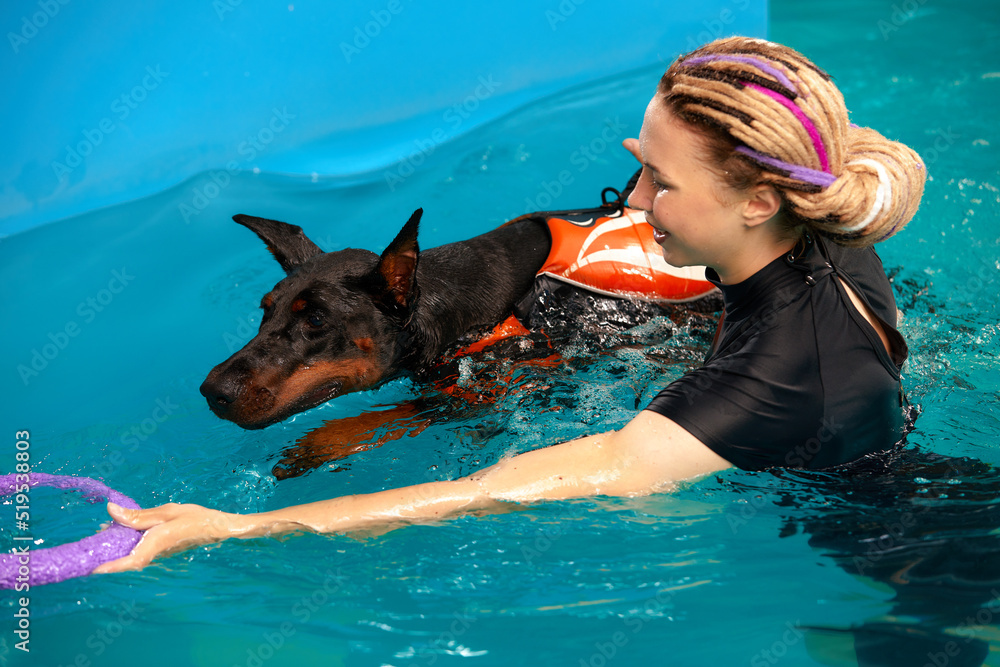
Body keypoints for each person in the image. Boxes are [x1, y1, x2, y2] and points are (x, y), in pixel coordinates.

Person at [95, 36, 926, 573]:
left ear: (757, 201)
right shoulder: (828, 216)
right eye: (638, 165)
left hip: (902, 563)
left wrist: (228, 528)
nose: (630, 204)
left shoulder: (770, 376)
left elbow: (491, 489)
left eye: (662, 183)